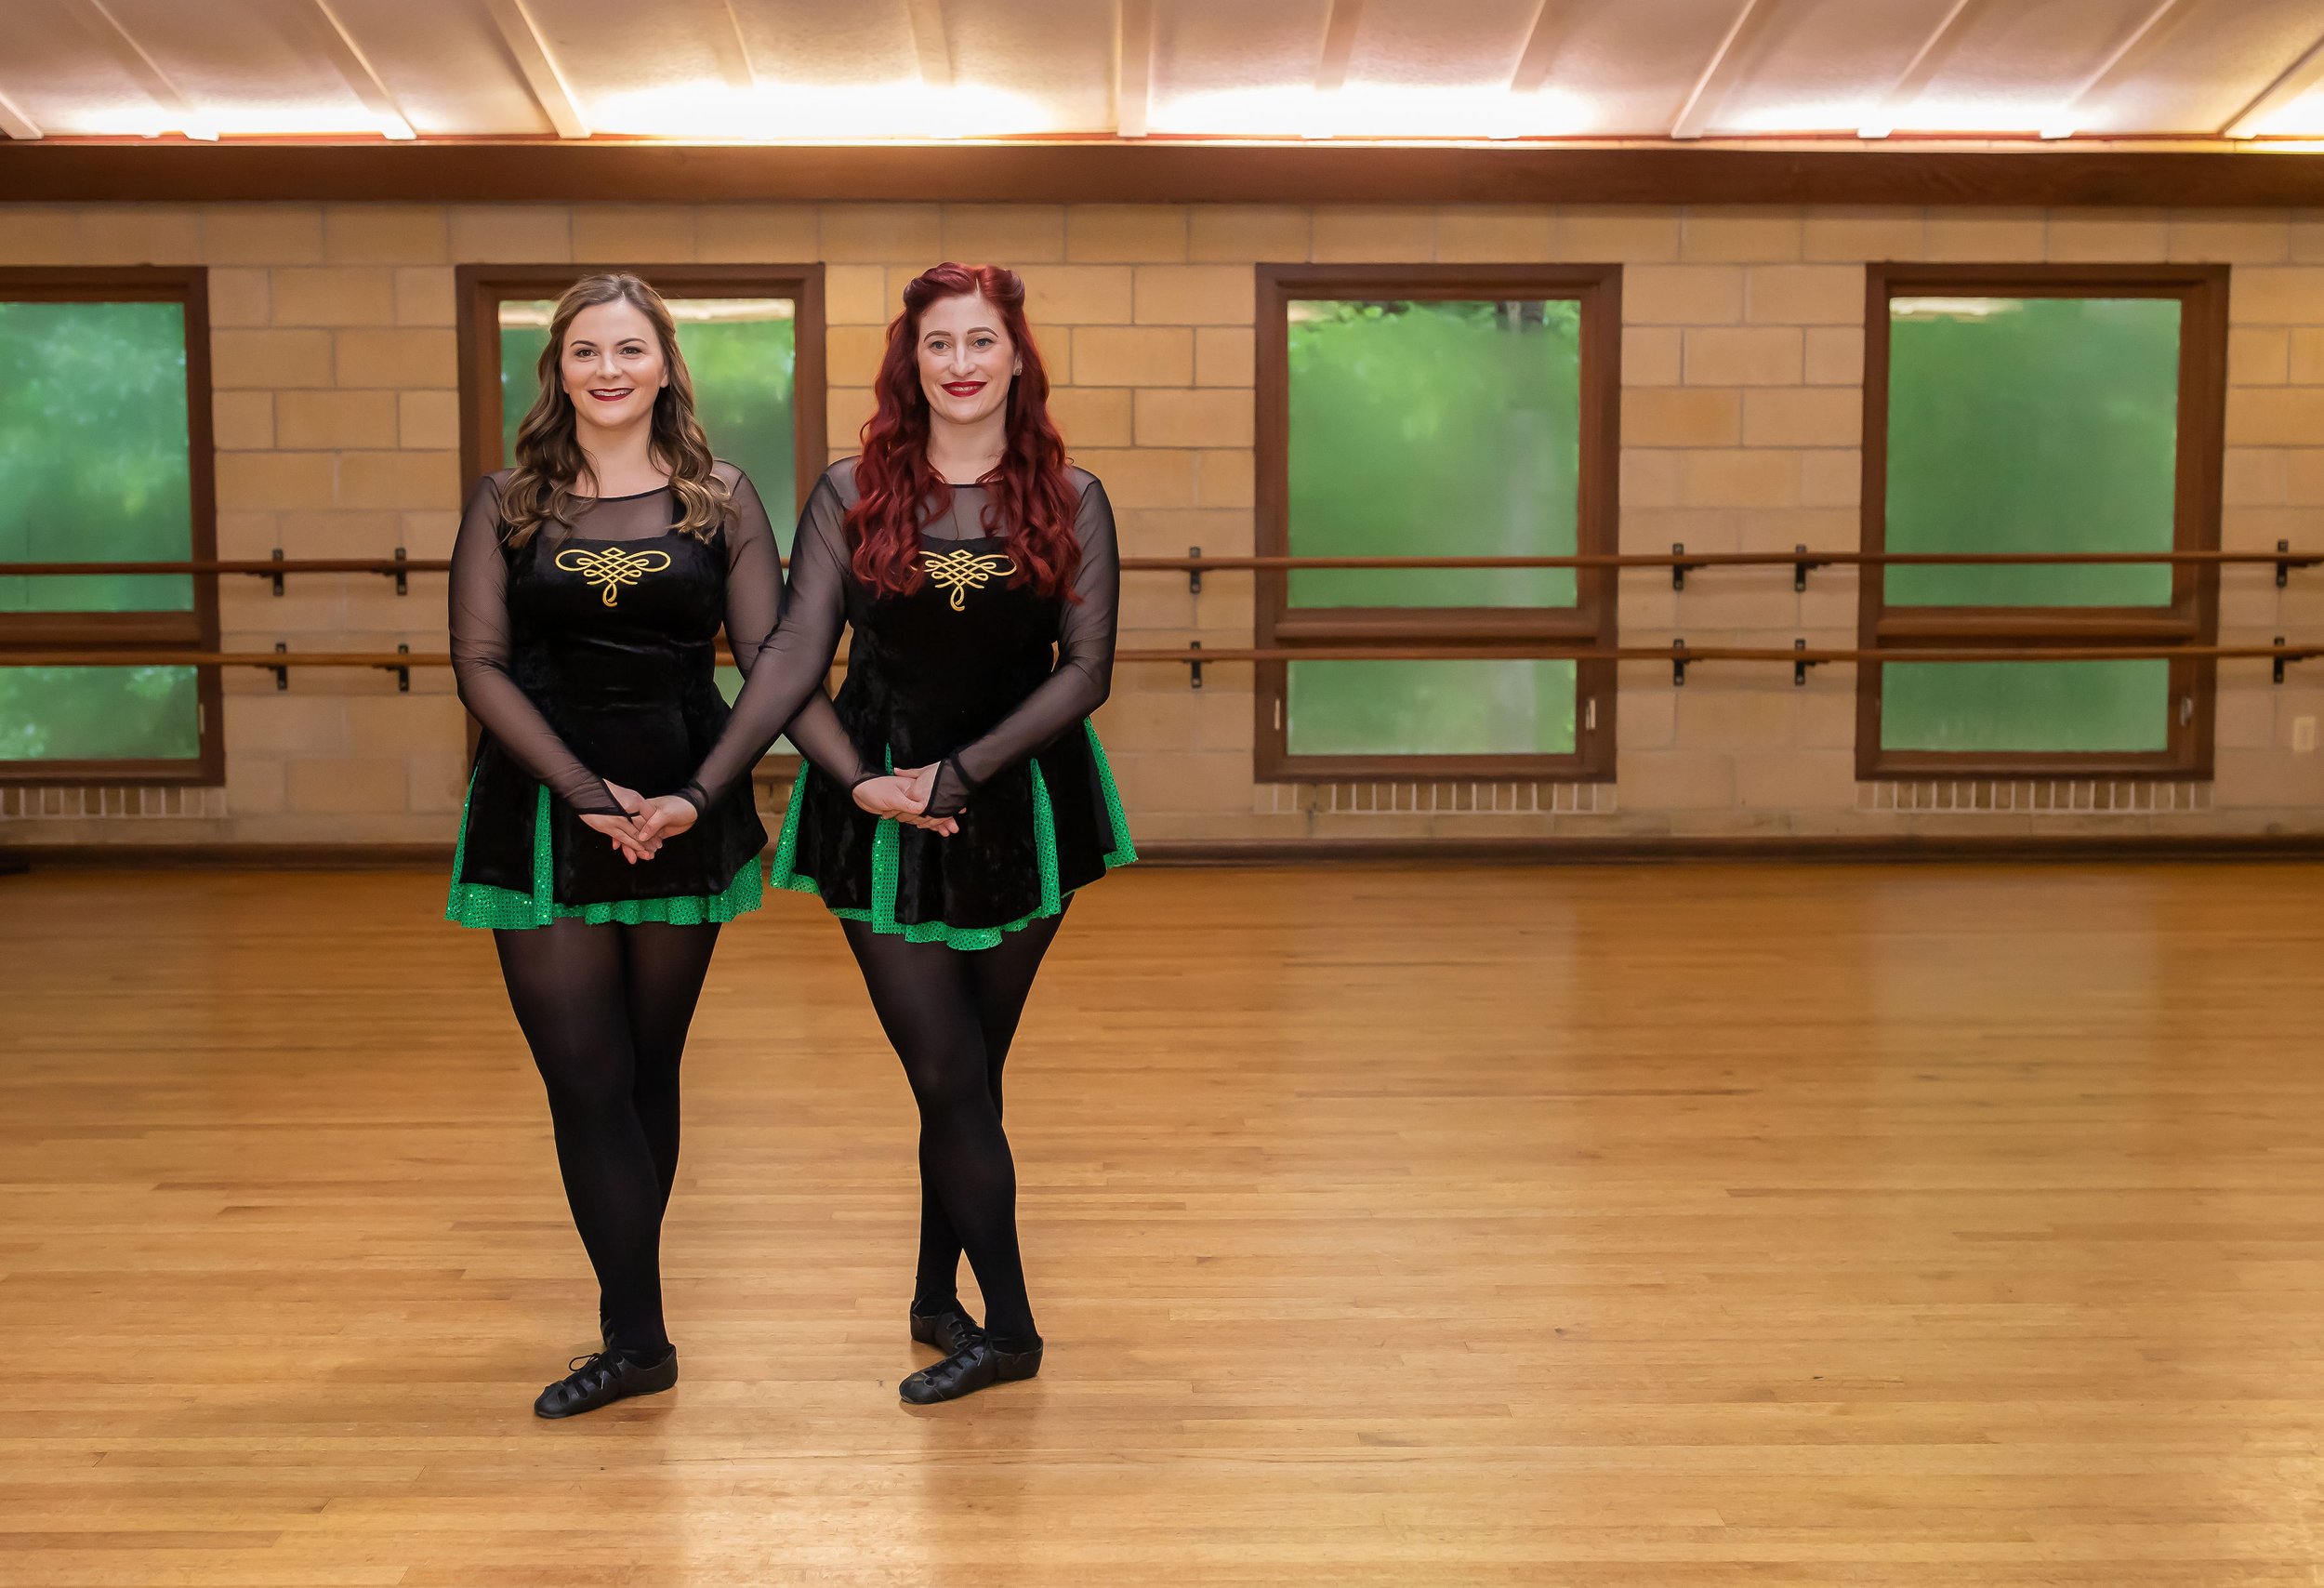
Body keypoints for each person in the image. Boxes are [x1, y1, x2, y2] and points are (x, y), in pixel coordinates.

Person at [644, 261, 1134, 1404]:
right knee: (948, 1067)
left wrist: (958, 774)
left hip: (1023, 799)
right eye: (937, 346)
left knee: (968, 1073)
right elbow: (788, 660)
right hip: (875, 807)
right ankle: (1008, 1328)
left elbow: (1088, 671)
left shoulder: (1074, 497)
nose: (959, 364)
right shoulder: (851, 489)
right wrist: (846, 780)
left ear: (1017, 356)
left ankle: (933, 1294)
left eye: (980, 342)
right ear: (910, 364)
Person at [443, 272, 848, 1419]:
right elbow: (477, 661)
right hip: (540, 808)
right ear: (557, 371)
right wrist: (581, 792)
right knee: (586, 1080)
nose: (608, 370)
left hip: (686, 798)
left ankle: (630, 1325)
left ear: (666, 364)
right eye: (584, 352)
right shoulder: (509, 501)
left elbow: (774, 656)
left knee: (647, 1070)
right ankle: (640, 1334)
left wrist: (696, 792)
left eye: (629, 349)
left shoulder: (721, 497)